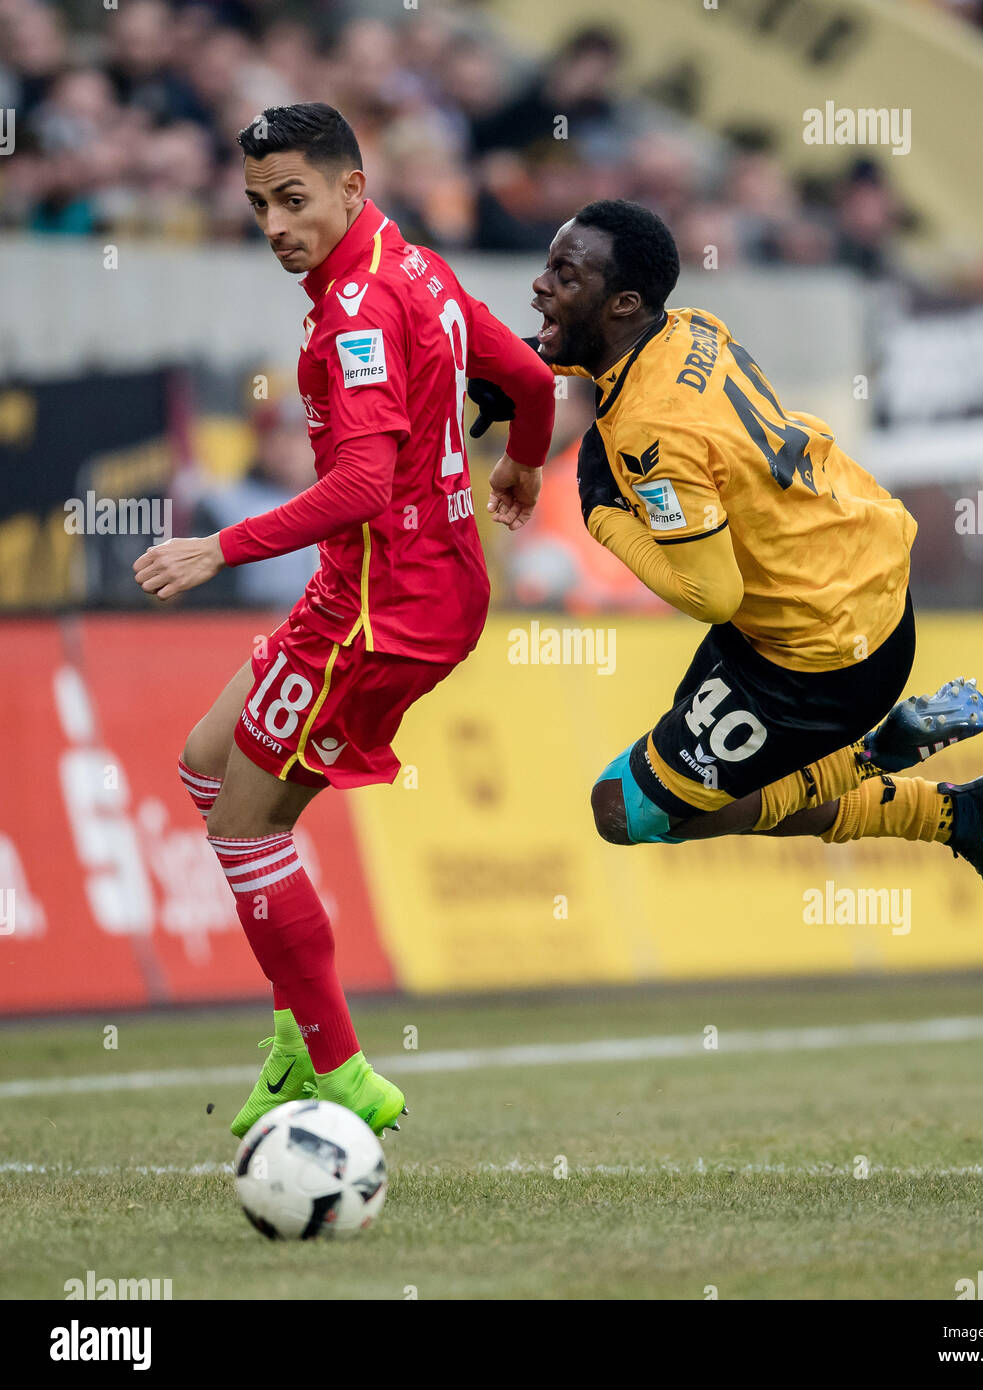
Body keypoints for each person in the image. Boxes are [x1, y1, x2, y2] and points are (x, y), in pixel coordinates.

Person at [134, 102, 555, 1141]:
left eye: (293, 199)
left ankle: (339, 1068)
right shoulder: (416, 267)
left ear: (350, 189)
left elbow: (363, 483)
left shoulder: (360, 310)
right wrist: (523, 458)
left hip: (384, 608)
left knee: (242, 828)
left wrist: (214, 546)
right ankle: (295, 1043)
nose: (275, 223)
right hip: (383, 586)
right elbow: (532, 379)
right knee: (202, 764)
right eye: (258, 205)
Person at [486, 199, 983, 909]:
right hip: (850, 584)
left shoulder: (650, 433)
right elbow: (629, 393)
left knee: (624, 811)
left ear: (621, 303)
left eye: (564, 273)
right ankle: (957, 811)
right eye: (547, 265)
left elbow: (710, 595)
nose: (540, 285)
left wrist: (602, 517)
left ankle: (892, 771)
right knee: (689, 786)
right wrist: (522, 374)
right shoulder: (690, 330)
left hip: (814, 660)